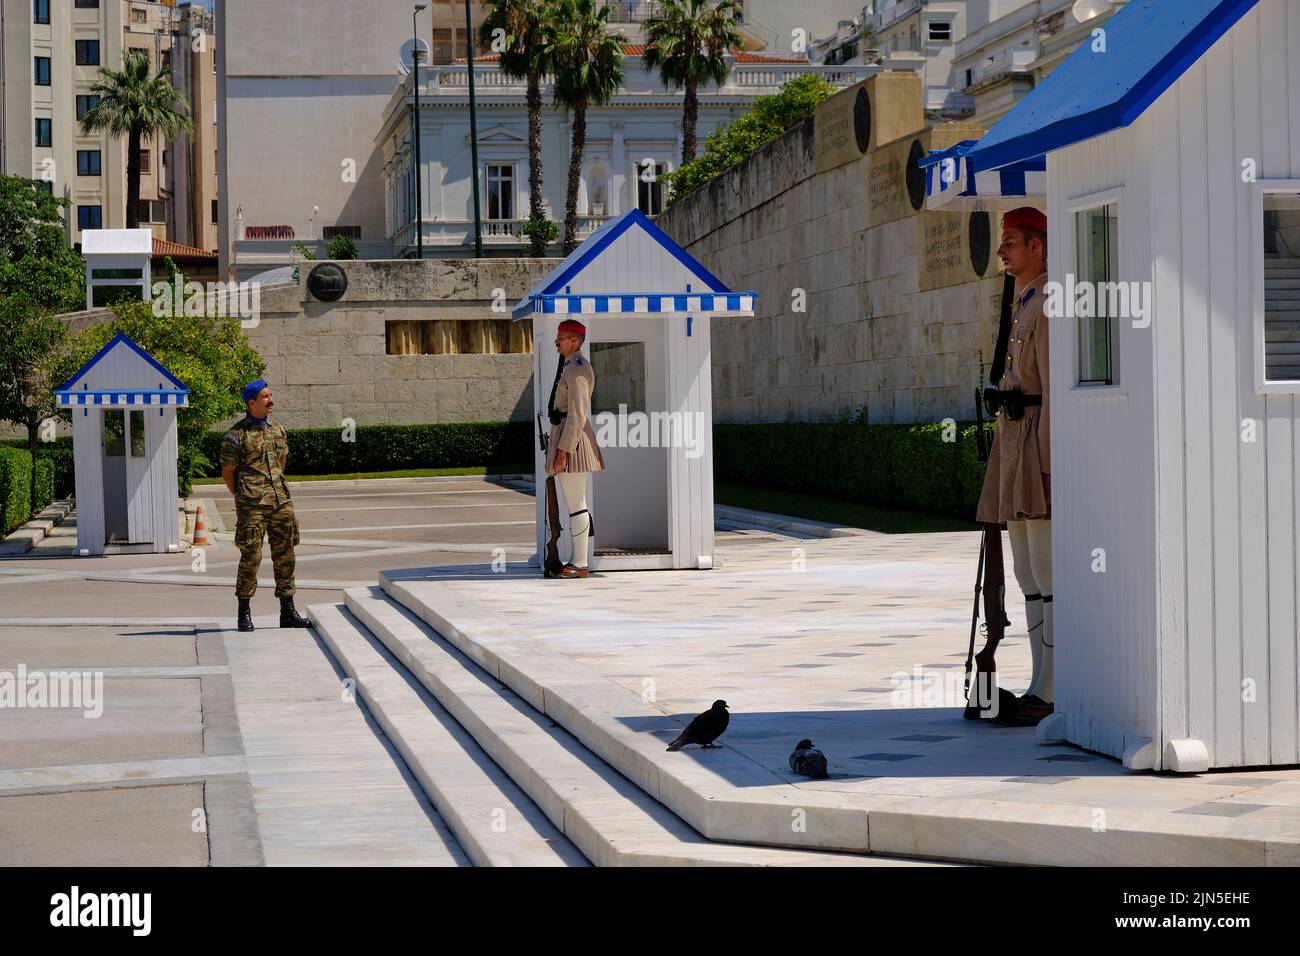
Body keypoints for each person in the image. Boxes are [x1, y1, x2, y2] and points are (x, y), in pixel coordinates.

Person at [976, 207, 1053, 723]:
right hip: (1013, 444)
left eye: (1011, 243)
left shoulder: (1046, 302)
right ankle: (1038, 682)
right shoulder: (1023, 300)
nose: (1001, 251)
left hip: (1033, 450)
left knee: (1046, 572)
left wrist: (1049, 465)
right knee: (1026, 570)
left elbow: (1052, 391)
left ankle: (1052, 689)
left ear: (1036, 247)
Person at [220, 379, 311, 631]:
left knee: (286, 555)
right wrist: (243, 497)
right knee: (251, 556)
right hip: (252, 505)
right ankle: (243, 612)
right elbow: (228, 473)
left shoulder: (278, 429)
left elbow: (281, 464)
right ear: (251, 403)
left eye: (270, 395)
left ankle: (288, 611)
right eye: (265, 397)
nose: (270, 400)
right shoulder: (235, 436)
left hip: (280, 501)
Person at [544, 319, 605, 578]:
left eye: (562, 337)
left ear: (575, 342)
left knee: (577, 503)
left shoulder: (577, 369)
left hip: (573, 443)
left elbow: (577, 415)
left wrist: (563, 451)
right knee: (574, 502)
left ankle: (580, 563)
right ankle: (577, 560)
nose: (556, 341)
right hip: (567, 438)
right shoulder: (570, 366)